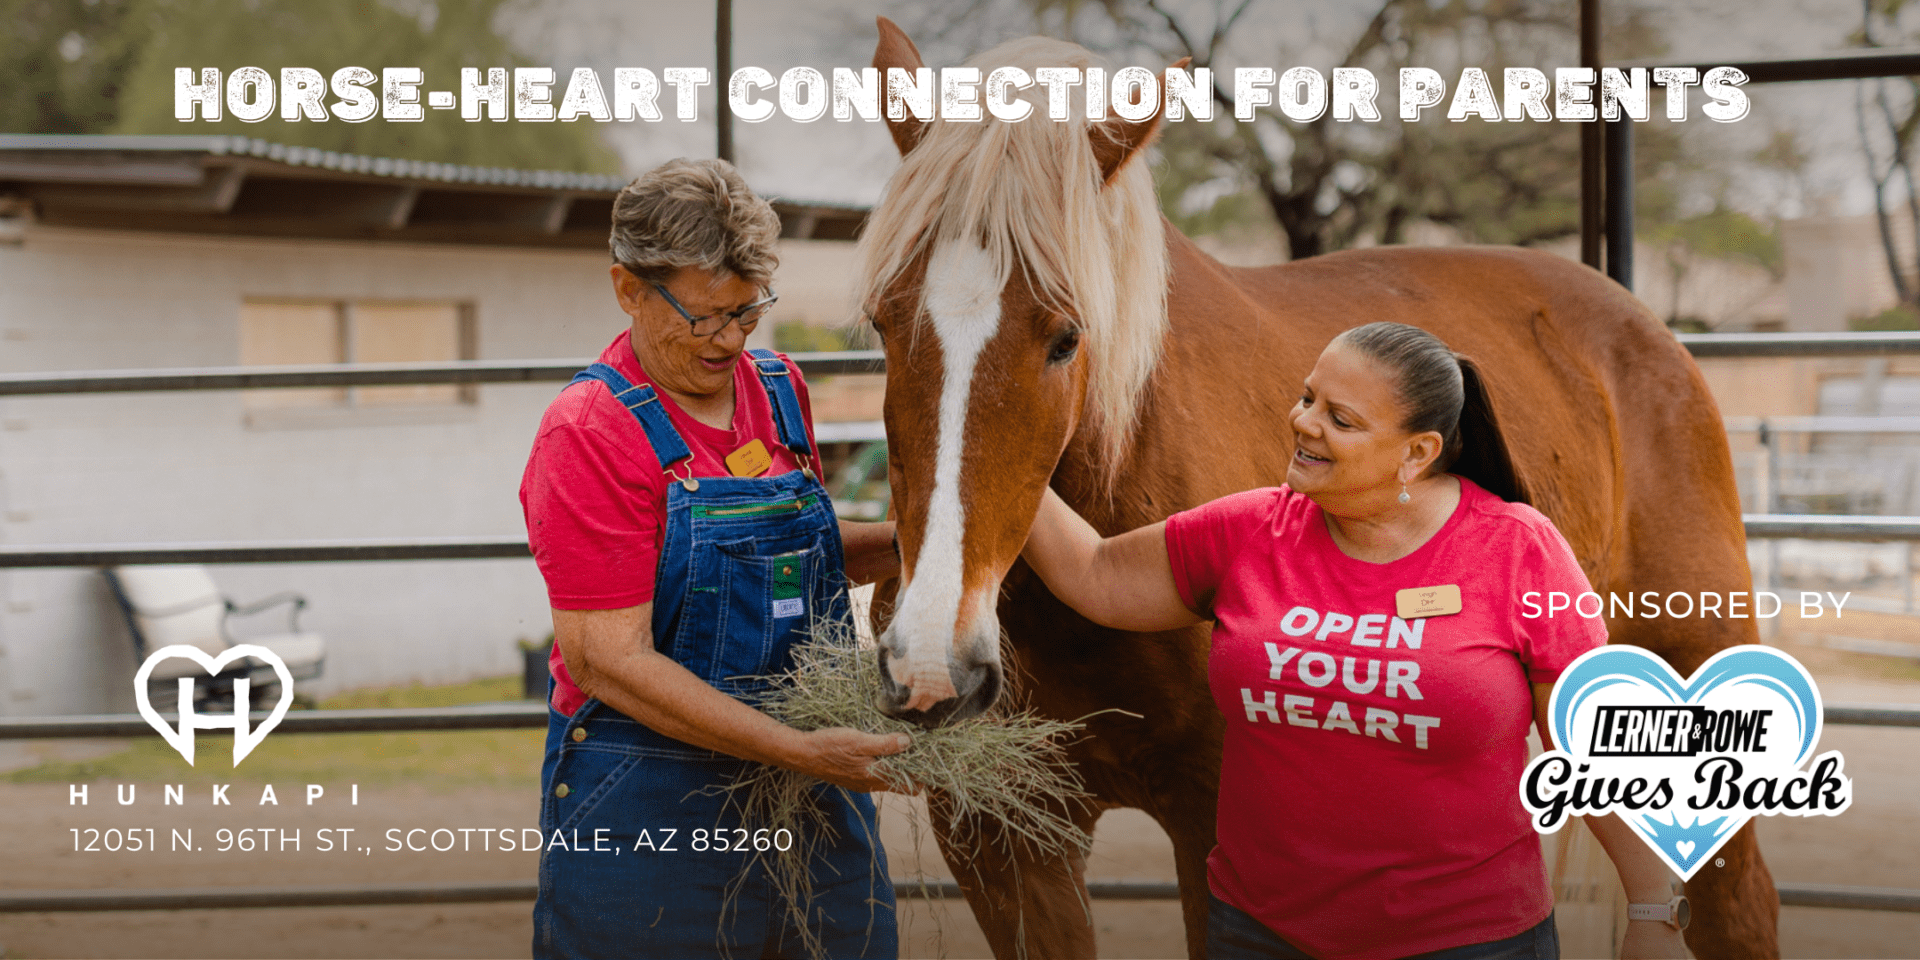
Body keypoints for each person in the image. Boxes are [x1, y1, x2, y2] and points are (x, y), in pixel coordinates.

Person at [1019, 323, 1690, 960]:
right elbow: (1094, 575)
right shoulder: (1252, 530)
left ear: (1418, 452)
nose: (1305, 422)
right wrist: (986, 461)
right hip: (1259, 934)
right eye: (1308, 397)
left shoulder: (1519, 549)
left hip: (1470, 941)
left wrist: (1652, 912)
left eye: (1341, 419)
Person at [520, 157, 907, 959]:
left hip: (808, 789)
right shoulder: (592, 432)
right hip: (654, 796)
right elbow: (608, 660)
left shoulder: (778, 387)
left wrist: (919, 548)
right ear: (628, 288)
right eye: (706, 317)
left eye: (747, 312)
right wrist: (798, 750)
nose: (731, 339)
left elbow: (790, 561)